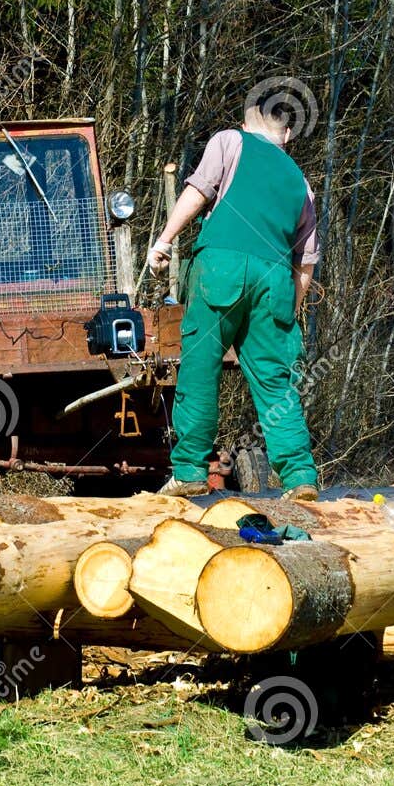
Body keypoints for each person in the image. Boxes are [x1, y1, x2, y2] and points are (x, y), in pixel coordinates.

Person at [147, 83, 320, 498]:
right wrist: (286, 316)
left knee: (201, 368)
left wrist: (164, 240)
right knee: (275, 382)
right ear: (287, 137)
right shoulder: (302, 185)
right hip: (276, 280)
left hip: (221, 267)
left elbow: (197, 192)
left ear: (245, 125)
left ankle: (189, 472)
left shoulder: (229, 141)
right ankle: (300, 478)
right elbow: (306, 265)